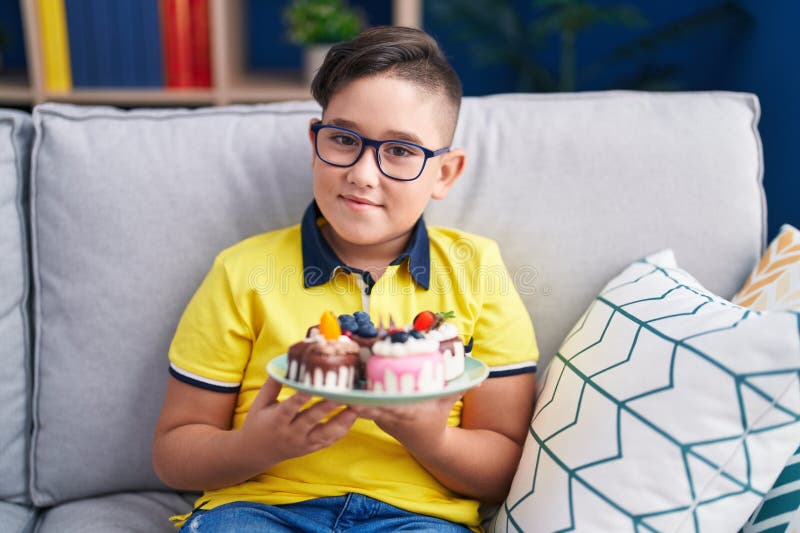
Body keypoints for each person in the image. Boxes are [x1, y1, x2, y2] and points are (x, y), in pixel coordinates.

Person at [153, 26, 538, 533]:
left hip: (415, 519)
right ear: (316, 143)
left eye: (400, 151)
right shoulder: (242, 271)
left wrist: (430, 437)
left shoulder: (477, 270)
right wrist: (259, 445)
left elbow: (505, 469)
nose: (362, 173)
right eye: (343, 139)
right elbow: (173, 454)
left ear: (444, 173)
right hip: (260, 510)